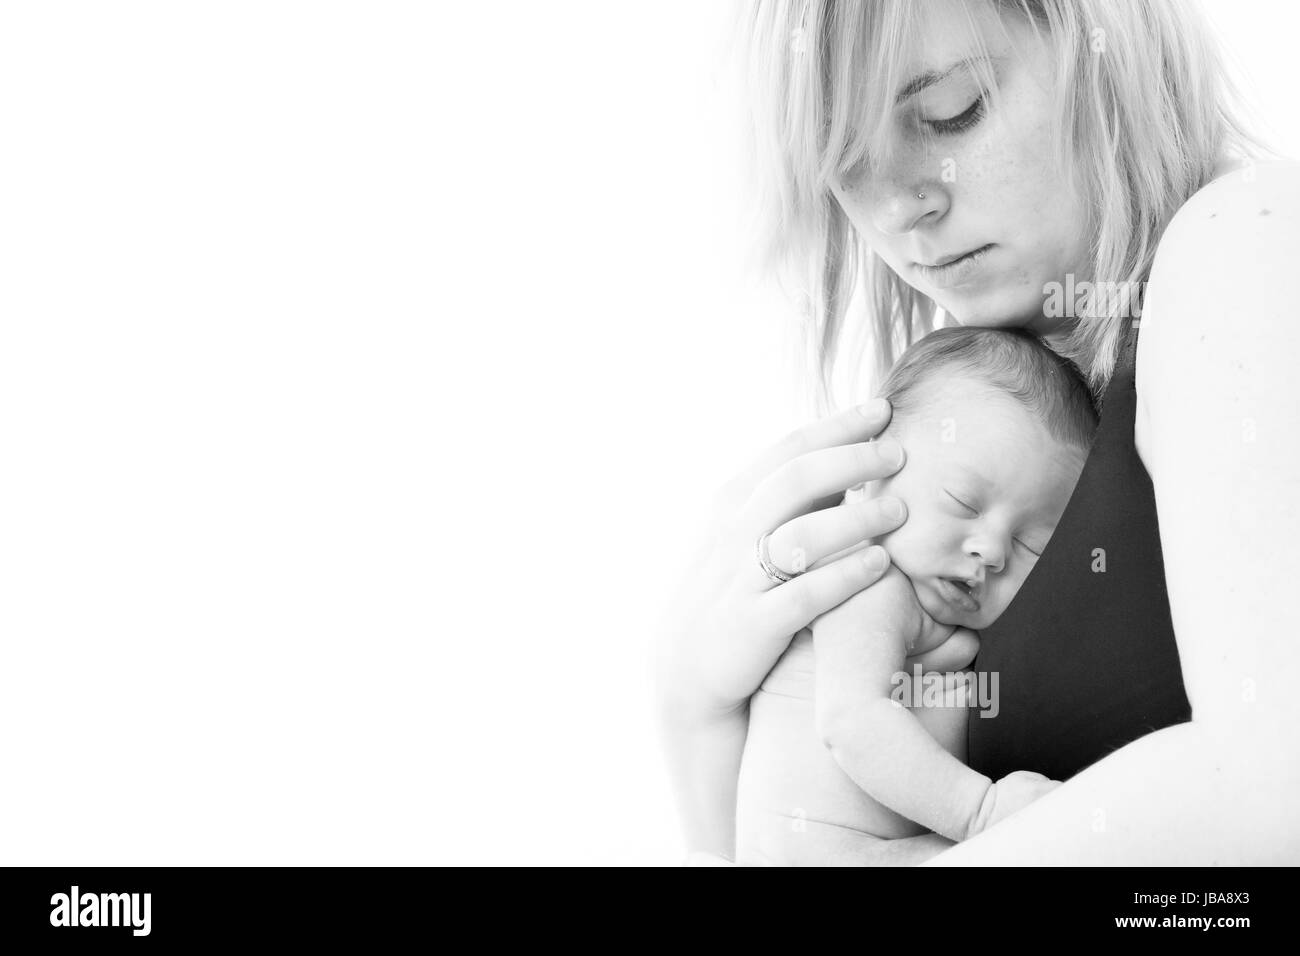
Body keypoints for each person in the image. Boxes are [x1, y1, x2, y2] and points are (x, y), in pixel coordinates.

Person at [656, 0, 1300, 864]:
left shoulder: (1245, 239)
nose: (895, 209)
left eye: (950, 111)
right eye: (846, 168)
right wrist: (697, 722)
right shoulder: (997, 415)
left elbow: (1275, 789)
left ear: (1100, 38)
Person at [735, 327, 1097, 866]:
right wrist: (982, 811)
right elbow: (852, 722)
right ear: (866, 475)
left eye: (1030, 545)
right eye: (962, 500)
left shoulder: (941, 616)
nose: (992, 550)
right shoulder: (869, 582)